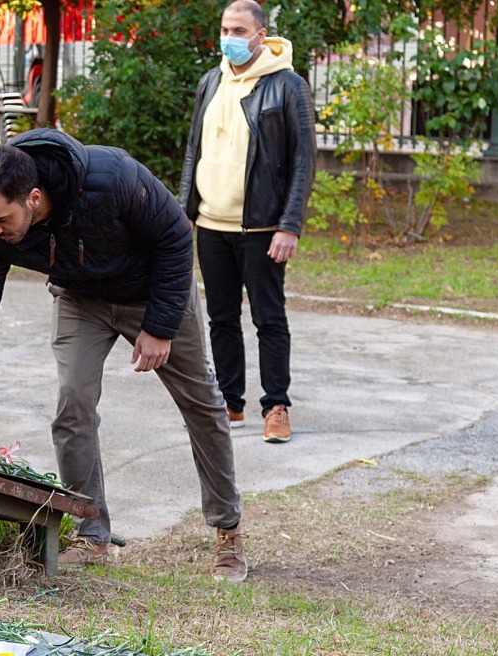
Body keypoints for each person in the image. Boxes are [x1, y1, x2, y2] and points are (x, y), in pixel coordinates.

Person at [0, 130, 247, 582]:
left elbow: (175, 237)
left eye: (1, 220)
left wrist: (160, 328)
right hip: (79, 298)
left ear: (32, 197)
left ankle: (228, 531)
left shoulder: (112, 178)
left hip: (153, 292)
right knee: (73, 403)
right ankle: (91, 535)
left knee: (202, 403)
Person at [178, 0, 316, 444]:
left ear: (261, 35)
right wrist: (185, 215)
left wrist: (289, 224)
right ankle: (229, 402)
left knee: (268, 319)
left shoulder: (287, 85)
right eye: (225, 29)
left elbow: (303, 161)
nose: (230, 38)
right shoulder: (211, 81)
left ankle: (276, 406)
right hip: (212, 225)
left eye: (239, 30)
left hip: (261, 227)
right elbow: (193, 152)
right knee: (220, 318)